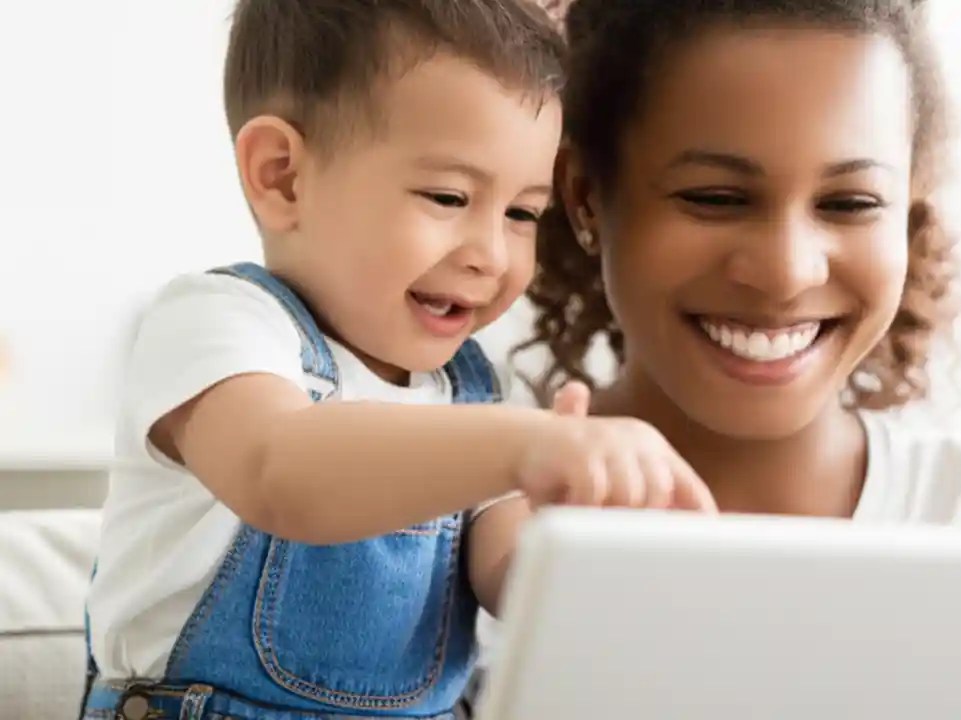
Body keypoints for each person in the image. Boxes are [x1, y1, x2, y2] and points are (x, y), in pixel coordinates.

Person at [476, 0, 961, 717]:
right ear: (585, 199)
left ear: (908, 213)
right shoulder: (475, 518)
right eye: (715, 197)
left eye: (850, 202)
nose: (786, 272)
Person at [81, 1, 714, 718]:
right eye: (449, 196)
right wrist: (527, 443)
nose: (490, 255)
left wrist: (579, 542)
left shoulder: (470, 391)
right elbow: (281, 472)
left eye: (521, 214)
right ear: (283, 176)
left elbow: (505, 574)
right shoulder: (217, 325)